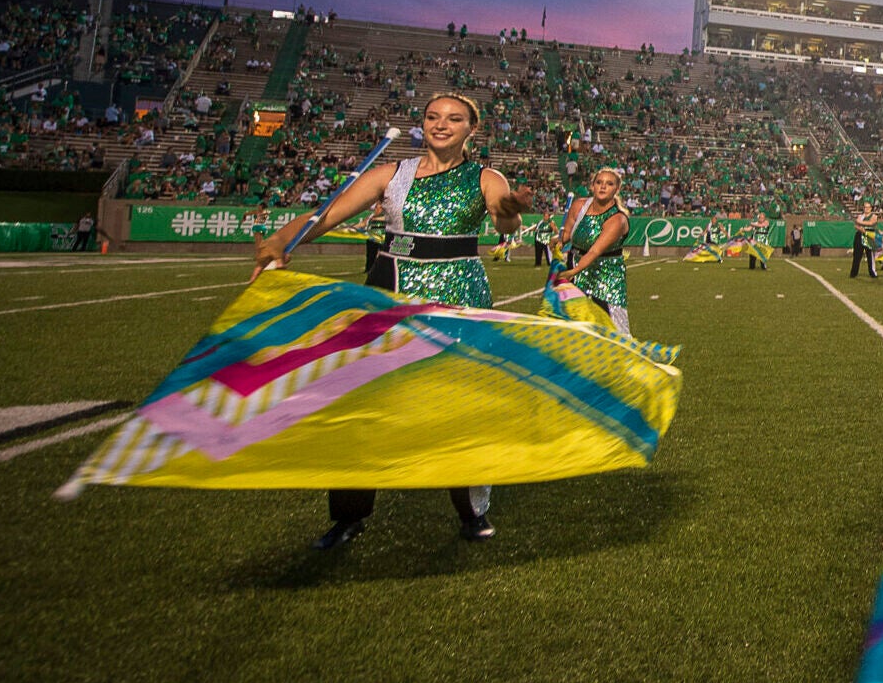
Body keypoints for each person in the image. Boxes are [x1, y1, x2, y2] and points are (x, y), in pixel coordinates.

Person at [251, 93, 531, 549]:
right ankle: (348, 515)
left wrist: (509, 212)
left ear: (471, 130)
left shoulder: (485, 176)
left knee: (456, 407)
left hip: (456, 295)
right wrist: (282, 239)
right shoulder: (391, 173)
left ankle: (472, 509)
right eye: (432, 117)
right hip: (387, 289)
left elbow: (503, 218)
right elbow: (328, 214)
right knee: (361, 401)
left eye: (454, 119)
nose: (441, 125)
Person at [551, 168, 635, 333]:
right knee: (572, 322)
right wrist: (558, 241)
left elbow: (594, 251)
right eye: (599, 182)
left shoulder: (617, 219)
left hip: (606, 273)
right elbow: (568, 233)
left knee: (614, 327)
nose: (603, 187)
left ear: (617, 189)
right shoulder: (579, 206)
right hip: (576, 264)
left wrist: (572, 272)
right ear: (592, 186)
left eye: (609, 184)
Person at [848, 204, 880, 278]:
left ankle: (872, 272)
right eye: (865, 207)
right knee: (857, 255)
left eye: (868, 207)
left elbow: (871, 223)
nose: (866, 209)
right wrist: (860, 228)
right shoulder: (861, 216)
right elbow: (856, 225)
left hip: (869, 235)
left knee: (870, 255)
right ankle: (853, 273)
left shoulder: (874, 216)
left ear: (871, 208)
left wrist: (860, 223)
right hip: (860, 235)